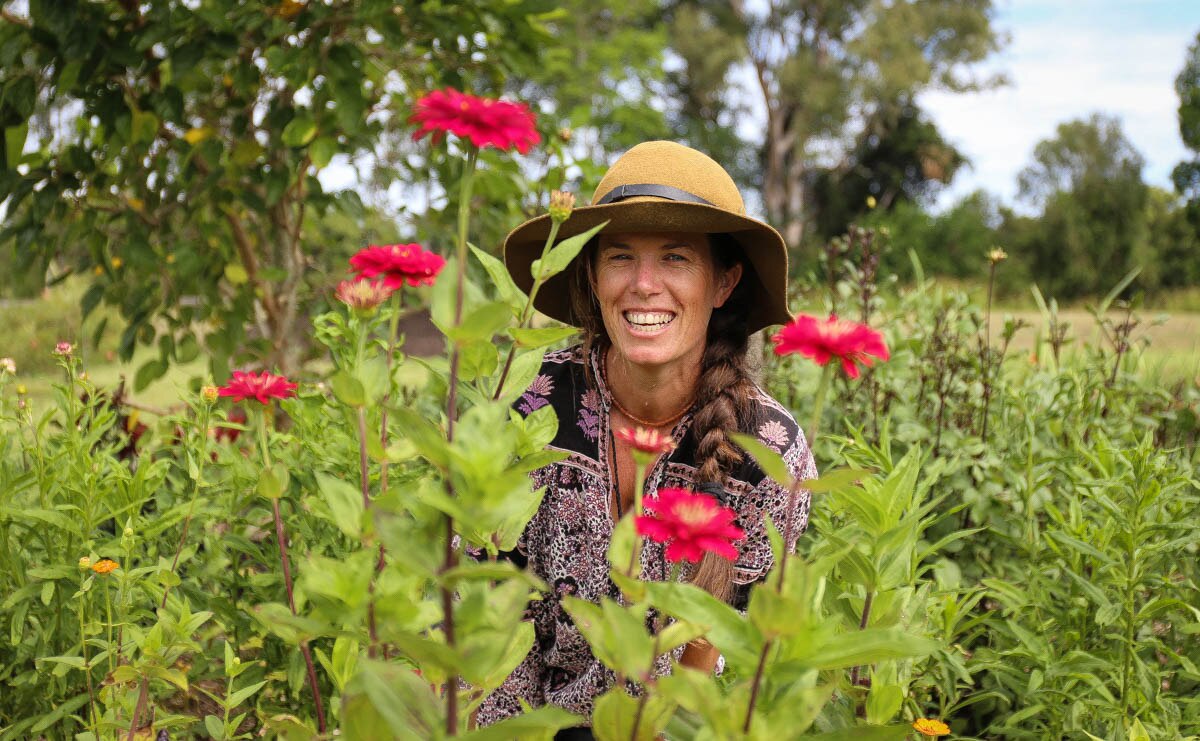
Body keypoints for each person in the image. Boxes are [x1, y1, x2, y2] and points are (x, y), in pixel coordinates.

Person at [477, 141, 816, 731]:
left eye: (676, 258)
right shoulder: (529, 403)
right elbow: (480, 612)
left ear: (724, 283)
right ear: (591, 272)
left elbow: (708, 662)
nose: (643, 284)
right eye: (620, 257)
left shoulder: (767, 451)